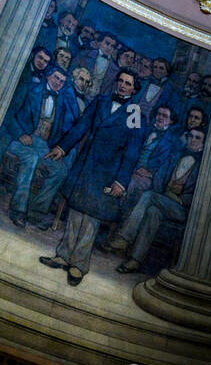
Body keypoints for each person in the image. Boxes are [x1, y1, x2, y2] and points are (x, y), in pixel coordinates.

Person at [39, 68, 143, 286]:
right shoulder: (101, 100)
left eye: (128, 83)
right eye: (121, 81)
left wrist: (121, 181)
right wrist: (62, 148)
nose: (123, 85)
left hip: (109, 170)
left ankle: (79, 265)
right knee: (76, 209)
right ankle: (63, 255)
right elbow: (81, 127)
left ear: (134, 89)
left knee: (92, 217)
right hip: (87, 162)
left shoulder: (134, 111)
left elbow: (133, 151)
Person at [112, 125, 205, 273]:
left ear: (203, 143)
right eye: (190, 136)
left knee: (148, 196)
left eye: (197, 138)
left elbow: (200, 194)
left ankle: (124, 237)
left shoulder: (203, 166)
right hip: (163, 200)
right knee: (153, 212)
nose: (193, 140)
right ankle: (135, 260)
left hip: (181, 208)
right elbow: (160, 177)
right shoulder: (175, 157)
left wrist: (181, 199)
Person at [3, 68, 75, 228]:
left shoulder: (62, 101)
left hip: (43, 145)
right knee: (31, 159)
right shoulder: (31, 89)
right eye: (56, 78)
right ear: (49, 76)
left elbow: (66, 128)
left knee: (60, 170)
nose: (58, 83)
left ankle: (36, 211)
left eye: (62, 81)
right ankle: (19, 210)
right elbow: (9, 113)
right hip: (20, 139)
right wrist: (20, 133)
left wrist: (59, 147)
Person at [118, 103, 181, 219]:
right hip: (132, 167)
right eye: (159, 114)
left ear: (171, 121)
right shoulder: (145, 129)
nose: (160, 118)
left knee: (133, 184)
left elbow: (167, 167)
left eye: (165, 116)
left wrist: (151, 173)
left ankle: (122, 218)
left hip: (150, 177)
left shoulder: (172, 142)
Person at [81, 33, 120, 97]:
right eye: (107, 43)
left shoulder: (115, 70)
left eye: (112, 46)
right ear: (99, 42)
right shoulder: (84, 54)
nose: (109, 48)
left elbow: (110, 91)